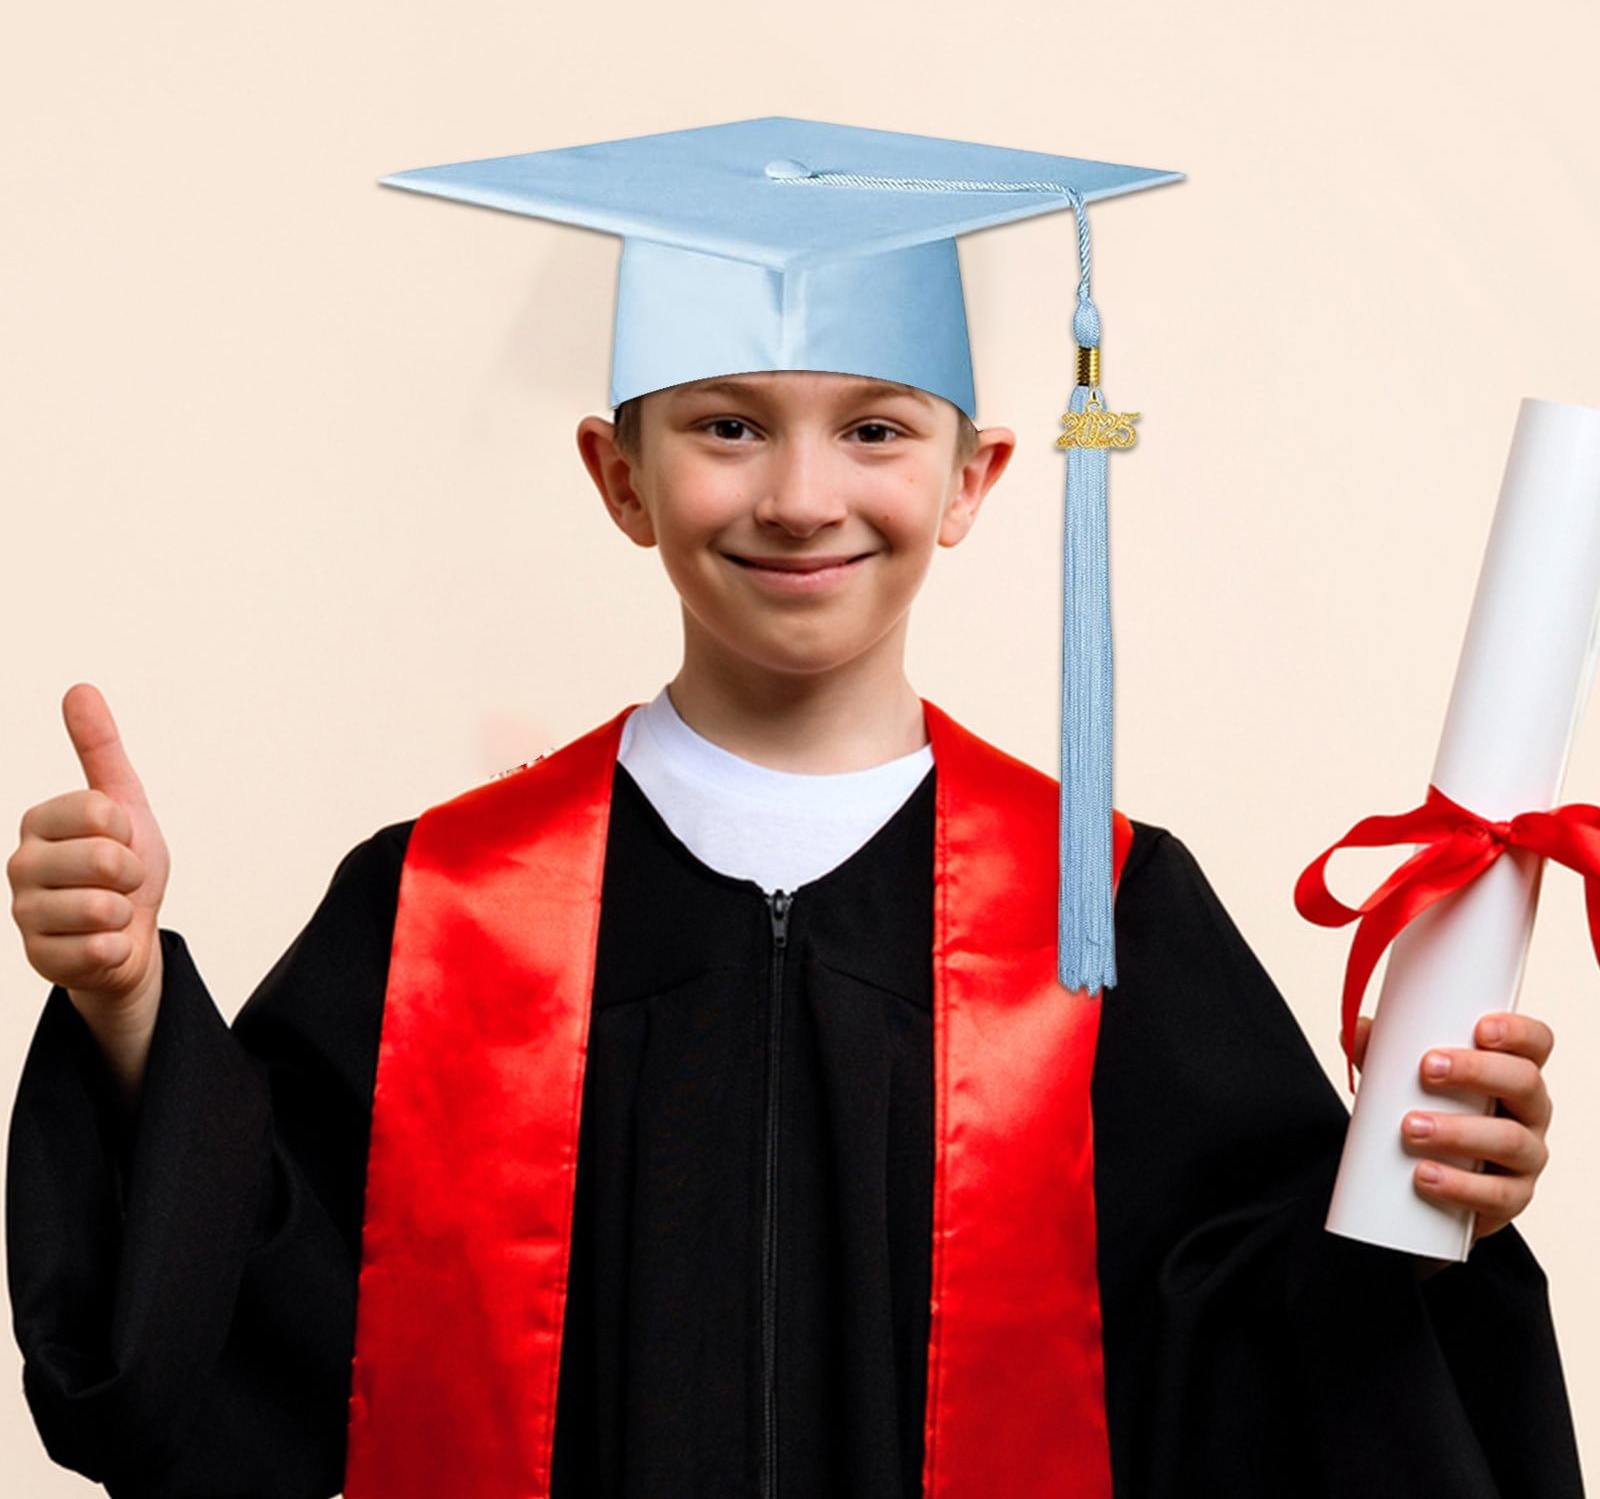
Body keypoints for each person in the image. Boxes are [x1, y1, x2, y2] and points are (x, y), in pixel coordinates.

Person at [6, 120, 1585, 1499]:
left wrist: (1431, 1200)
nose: (800, 497)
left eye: (877, 428)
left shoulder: (1103, 912)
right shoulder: (443, 903)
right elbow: (251, 1334)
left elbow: (1264, 1373)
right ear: (618, 475)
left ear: (976, 479)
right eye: (726, 423)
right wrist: (132, 1005)